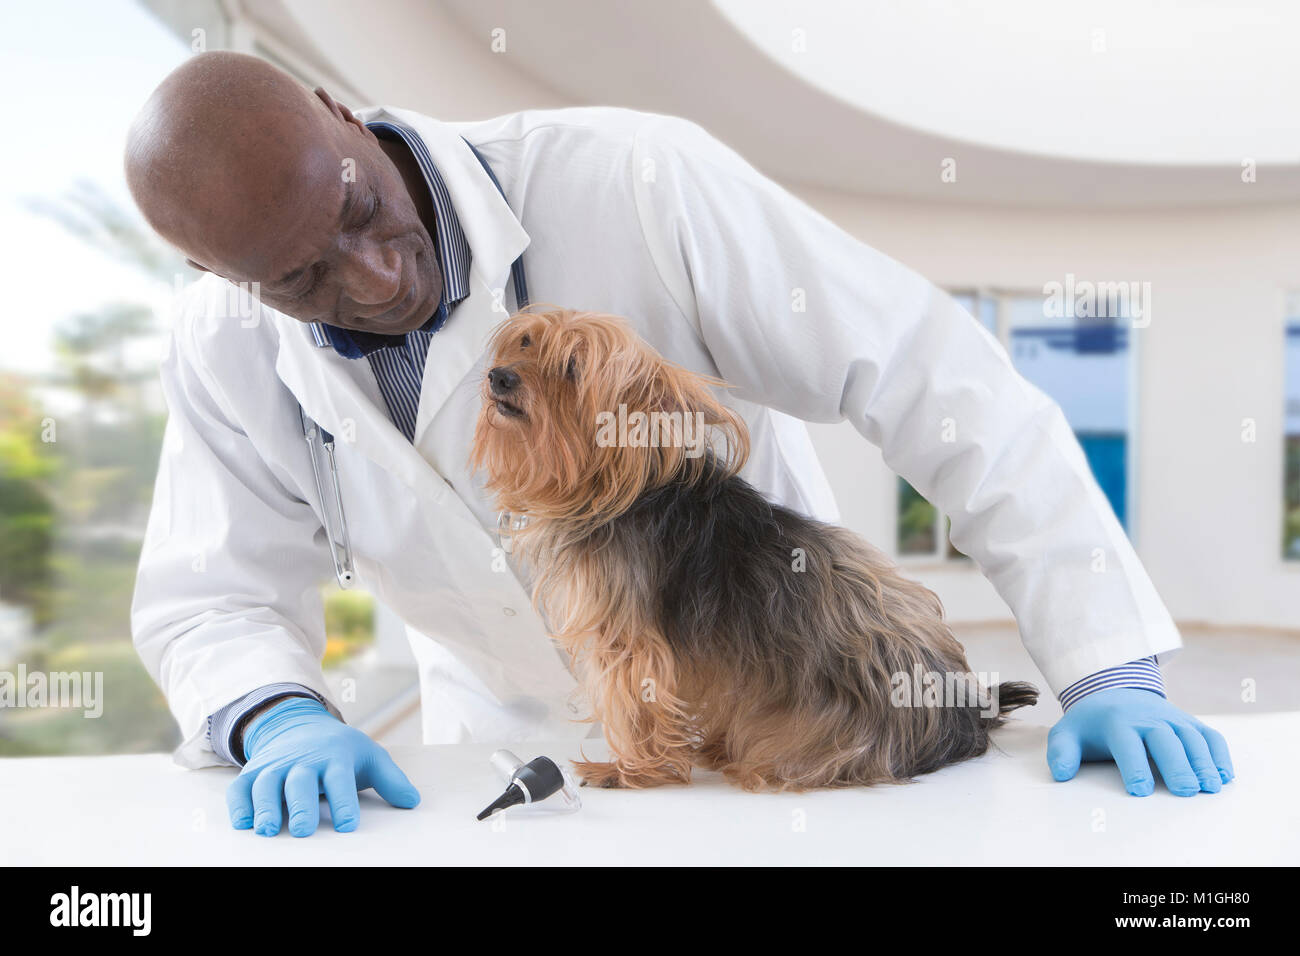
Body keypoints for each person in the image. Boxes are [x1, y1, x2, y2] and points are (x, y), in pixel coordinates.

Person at [124, 52, 1232, 838]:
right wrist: (275, 716)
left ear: (340, 110)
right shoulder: (224, 344)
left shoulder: (632, 180)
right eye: (303, 275)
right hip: (498, 747)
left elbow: (936, 378)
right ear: (219, 276)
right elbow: (214, 593)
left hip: (787, 705)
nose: (373, 277)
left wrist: (1104, 663)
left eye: (359, 208)